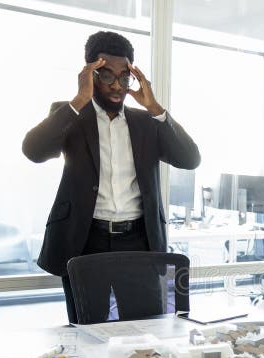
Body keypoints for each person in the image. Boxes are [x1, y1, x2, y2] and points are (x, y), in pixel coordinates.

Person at [22, 31, 200, 323]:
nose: (117, 85)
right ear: (91, 74)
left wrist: (154, 107)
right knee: (89, 332)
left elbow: (190, 159)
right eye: (107, 76)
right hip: (86, 240)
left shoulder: (147, 122)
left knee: (147, 329)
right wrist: (80, 98)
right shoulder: (71, 115)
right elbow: (34, 151)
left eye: (124, 77)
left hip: (139, 242)